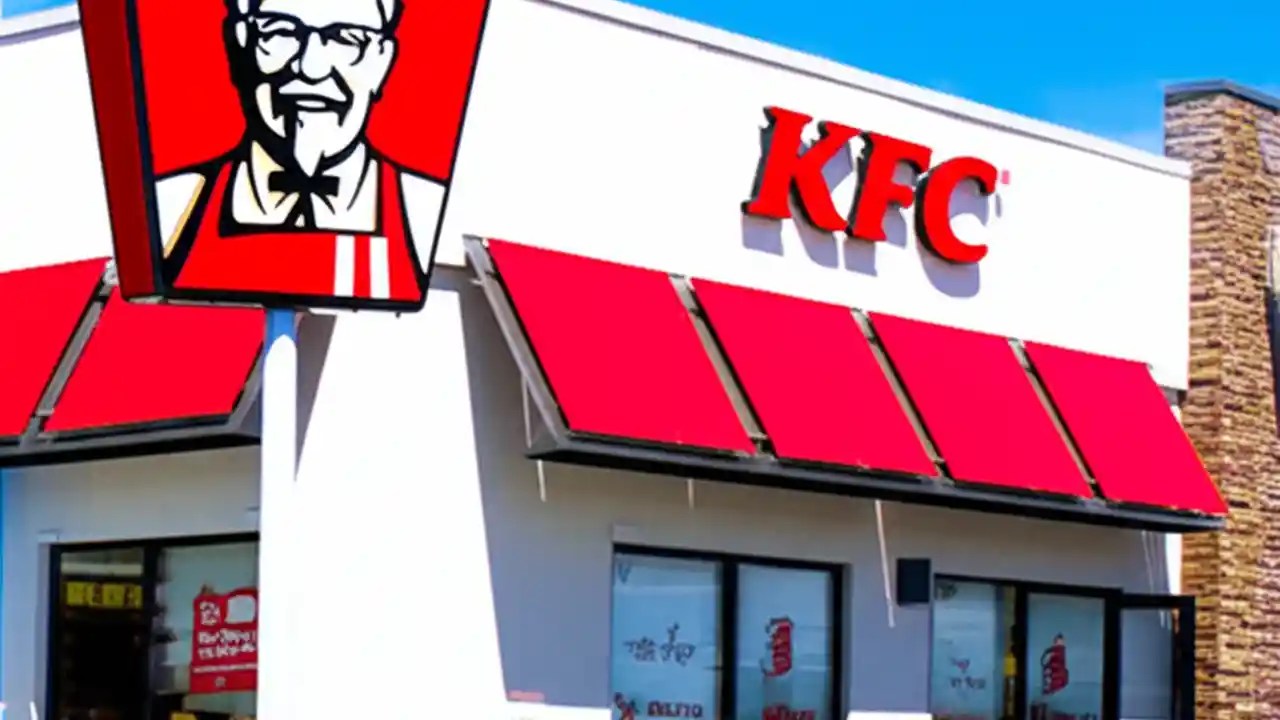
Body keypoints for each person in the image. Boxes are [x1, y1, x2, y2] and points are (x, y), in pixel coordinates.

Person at [155, 0, 444, 306]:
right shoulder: (174, 204)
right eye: (281, 32)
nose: (311, 67)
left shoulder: (420, 210)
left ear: (382, 61)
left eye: (347, 39)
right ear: (242, 43)